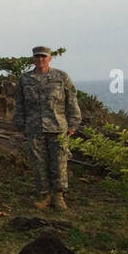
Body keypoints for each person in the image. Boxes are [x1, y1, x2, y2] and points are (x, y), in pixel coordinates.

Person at [13, 46, 81, 210]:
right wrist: (21, 124)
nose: (40, 60)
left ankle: (58, 196)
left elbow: (71, 100)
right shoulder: (25, 79)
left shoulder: (61, 76)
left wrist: (73, 124)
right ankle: (44, 195)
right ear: (33, 59)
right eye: (37, 57)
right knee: (38, 163)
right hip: (34, 127)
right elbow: (19, 103)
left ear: (50, 58)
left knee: (59, 162)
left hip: (58, 127)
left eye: (44, 57)